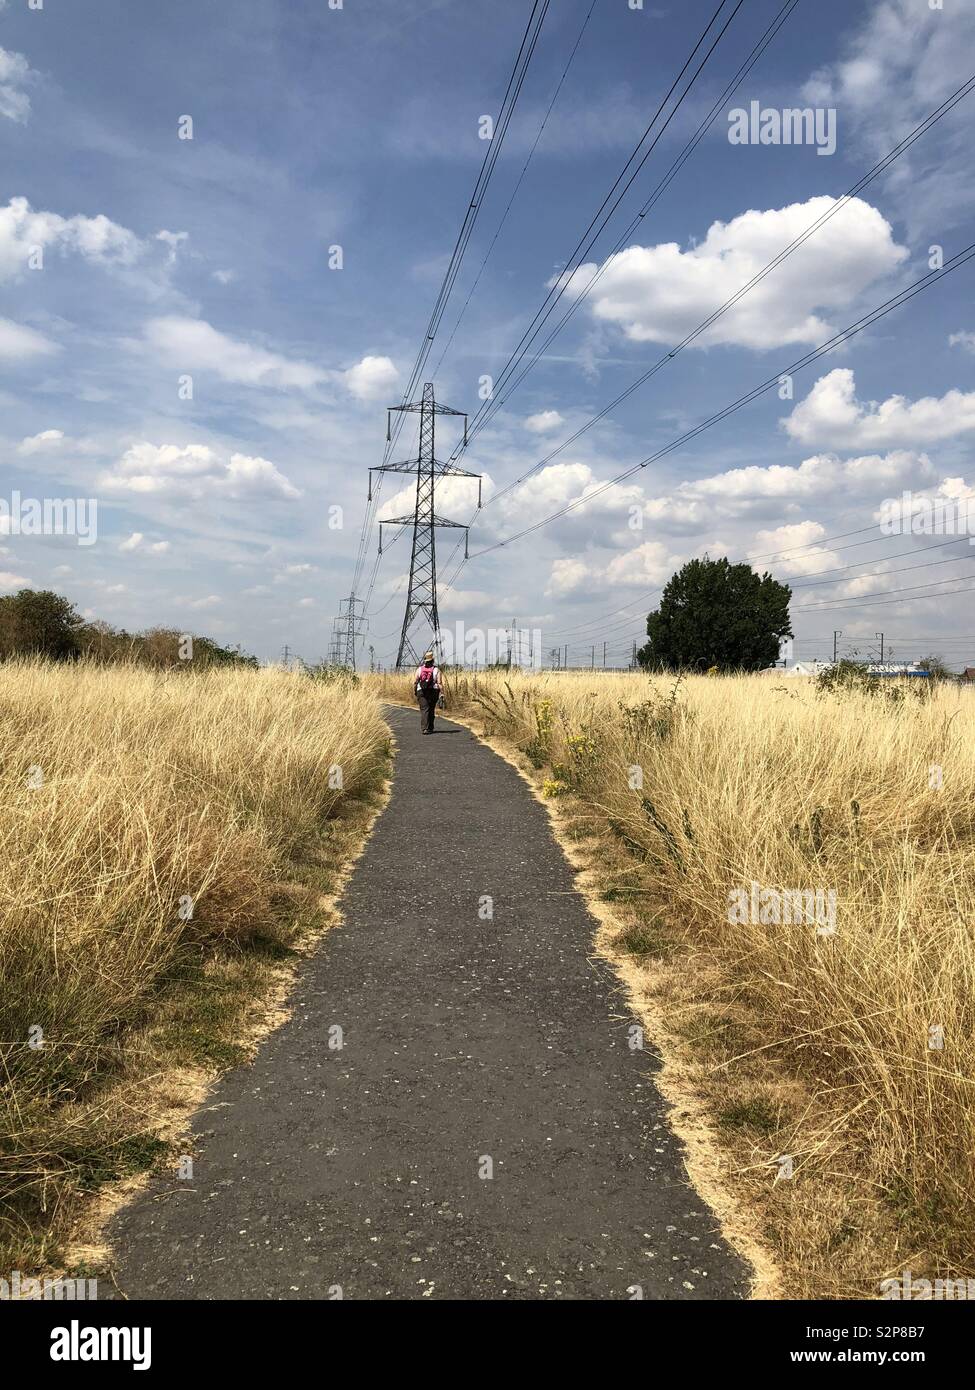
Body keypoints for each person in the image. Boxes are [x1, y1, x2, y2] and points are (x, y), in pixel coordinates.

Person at [414, 650, 442, 734]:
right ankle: (430, 727)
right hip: (433, 691)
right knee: (431, 708)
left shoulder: (419, 669)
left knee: (424, 709)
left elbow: (415, 681)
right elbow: (439, 682)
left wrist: (415, 690)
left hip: (421, 691)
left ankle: (424, 728)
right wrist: (442, 693)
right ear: (433, 660)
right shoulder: (436, 670)